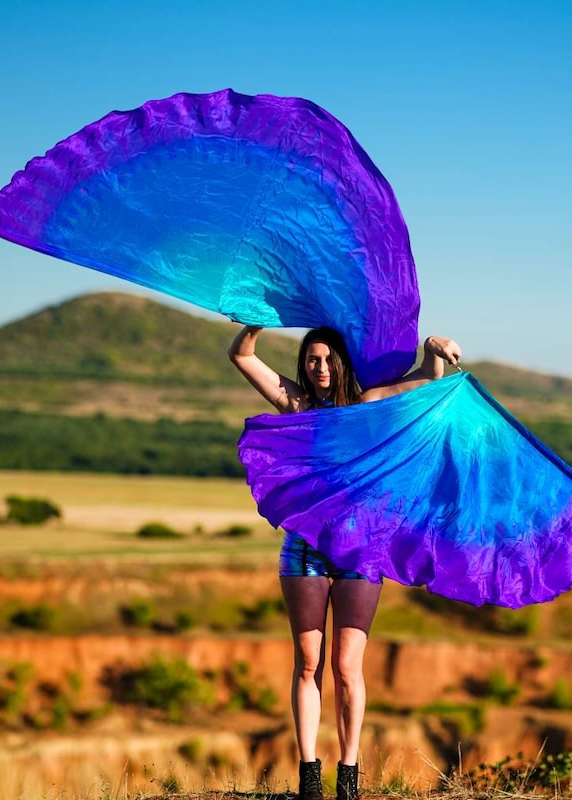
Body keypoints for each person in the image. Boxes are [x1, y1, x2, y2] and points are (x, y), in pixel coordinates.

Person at [228, 325, 461, 800]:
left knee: (347, 667)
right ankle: (310, 774)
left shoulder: (368, 402)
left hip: (361, 551)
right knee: (308, 663)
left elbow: (427, 384)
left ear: (342, 362)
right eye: (312, 360)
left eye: (328, 359)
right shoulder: (297, 406)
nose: (320, 368)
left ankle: (349, 776)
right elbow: (241, 355)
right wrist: (255, 320)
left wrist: (432, 349)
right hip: (305, 551)